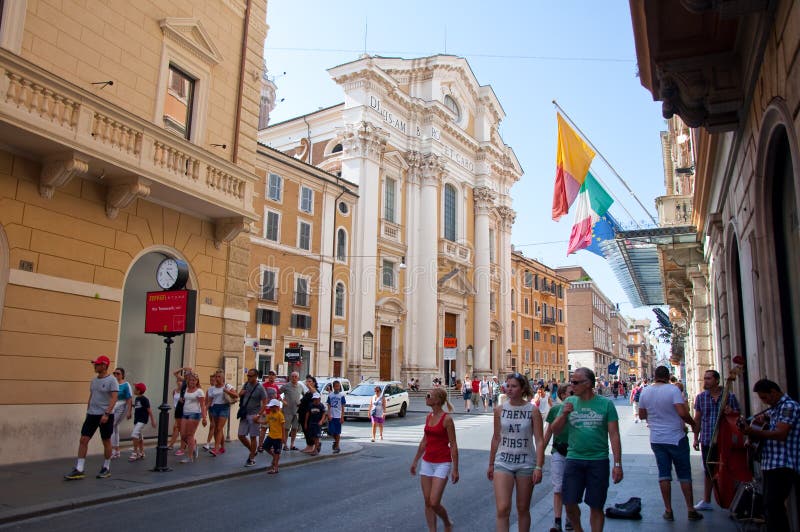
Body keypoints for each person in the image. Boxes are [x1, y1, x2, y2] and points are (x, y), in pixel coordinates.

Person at [550, 367, 622, 532]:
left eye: (575, 382)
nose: (571, 385)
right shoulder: (569, 403)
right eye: (571, 382)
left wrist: (617, 464)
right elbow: (555, 430)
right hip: (574, 459)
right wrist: (563, 415)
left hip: (598, 460)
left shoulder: (606, 404)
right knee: (569, 502)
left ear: (588, 383)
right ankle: (578, 529)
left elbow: (614, 436)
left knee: (596, 505)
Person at [638, 366, 703, 522]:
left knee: (664, 475)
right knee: (684, 474)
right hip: (676, 437)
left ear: (654, 376)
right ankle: (690, 509)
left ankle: (668, 510)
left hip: (657, 439)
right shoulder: (673, 390)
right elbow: (681, 412)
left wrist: (653, 417)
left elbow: (641, 415)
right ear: (668, 376)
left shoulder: (645, 391)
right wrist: (693, 423)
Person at [738, 379, 799, 530]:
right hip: (771, 463)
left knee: (773, 505)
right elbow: (767, 427)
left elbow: (780, 434)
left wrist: (753, 431)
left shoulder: (788, 406)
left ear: (773, 392)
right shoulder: (774, 409)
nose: (764, 402)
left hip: (783, 463)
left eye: (765, 397)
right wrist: (754, 433)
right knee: (769, 506)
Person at [487, 373, 545, 532]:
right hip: (503, 462)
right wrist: (491, 463)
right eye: (508, 385)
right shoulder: (499, 410)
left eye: (514, 386)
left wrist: (539, 466)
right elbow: (496, 438)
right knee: (502, 508)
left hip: (526, 463)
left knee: (522, 508)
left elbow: (539, 440)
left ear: (522, 388)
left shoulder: (532, 410)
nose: (509, 389)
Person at [410, 387, 459, 532]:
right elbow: (424, 441)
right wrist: (415, 461)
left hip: (442, 462)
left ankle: (447, 522)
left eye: (428, 395)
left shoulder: (447, 419)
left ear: (437, 400)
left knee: (434, 501)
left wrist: (455, 469)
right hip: (427, 462)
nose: (426, 397)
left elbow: (453, 444)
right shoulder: (428, 417)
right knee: (427, 501)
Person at [64, 355, 119, 480]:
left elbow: (114, 398)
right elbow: (92, 396)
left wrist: (107, 414)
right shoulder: (94, 380)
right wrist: (88, 410)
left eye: (97, 364)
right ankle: (79, 468)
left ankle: (106, 467)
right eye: (95, 364)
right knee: (83, 439)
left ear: (104, 366)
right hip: (92, 414)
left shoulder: (112, 380)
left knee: (106, 441)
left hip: (105, 416)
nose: (95, 366)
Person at [692, 369, 740, 511]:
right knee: (708, 470)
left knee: (729, 469)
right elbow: (698, 419)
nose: (705, 381)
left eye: (708, 378)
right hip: (707, 438)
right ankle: (707, 500)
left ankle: (732, 498)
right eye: (705, 378)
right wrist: (695, 438)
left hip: (725, 439)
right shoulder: (700, 397)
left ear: (717, 380)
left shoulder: (729, 396)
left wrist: (731, 412)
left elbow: (738, 417)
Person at [543, 384, 573, 532]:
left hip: (576, 453)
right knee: (558, 488)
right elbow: (548, 432)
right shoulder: (555, 410)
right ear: (562, 395)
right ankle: (557, 521)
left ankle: (570, 518)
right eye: (569, 393)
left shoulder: (579, 410)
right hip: (558, 451)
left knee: (572, 488)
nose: (572, 395)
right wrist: (540, 453)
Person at [238, 369, 267, 467]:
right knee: (241, 435)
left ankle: (251, 458)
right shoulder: (246, 384)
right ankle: (252, 450)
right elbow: (240, 394)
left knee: (253, 437)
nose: (248, 378)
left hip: (254, 414)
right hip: (245, 413)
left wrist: (258, 415)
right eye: (248, 376)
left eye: (250, 376)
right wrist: (240, 393)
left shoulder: (260, 388)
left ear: (256, 376)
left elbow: (264, 402)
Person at [178, 372, 207, 463]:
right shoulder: (185, 389)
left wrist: (204, 418)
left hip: (194, 414)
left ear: (197, 381)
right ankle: (193, 445)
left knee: (190, 435)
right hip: (185, 413)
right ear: (188, 381)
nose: (192, 382)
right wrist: (181, 400)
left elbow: (202, 405)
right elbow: (184, 400)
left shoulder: (199, 391)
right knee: (183, 435)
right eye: (191, 380)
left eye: (194, 380)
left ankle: (190, 457)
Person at [206, 370, 237, 456]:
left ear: (223, 378)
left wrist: (227, 391)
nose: (217, 378)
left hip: (224, 407)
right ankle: (222, 446)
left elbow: (236, 395)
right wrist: (205, 410)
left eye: (219, 376)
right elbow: (210, 400)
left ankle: (216, 449)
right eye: (216, 376)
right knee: (217, 429)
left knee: (219, 428)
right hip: (214, 407)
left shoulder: (227, 386)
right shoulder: (212, 388)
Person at [128, 383, 156, 461]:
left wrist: (152, 420)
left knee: (134, 434)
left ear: (139, 391)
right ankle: (142, 452)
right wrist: (131, 405)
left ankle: (135, 452)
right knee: (139, 436)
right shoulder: (137, 399)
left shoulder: (144, 399)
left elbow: (149, 410)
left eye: (135, 389)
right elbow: (137, 407)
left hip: (142, 420)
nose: (134, 390)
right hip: (137, 420)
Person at [110, 367, 133, 459]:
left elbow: (129, 398)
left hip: (122, 405)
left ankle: (113, 450)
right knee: (114, 426)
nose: (115, 375)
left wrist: (129, 411)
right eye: (114, 373)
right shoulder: (113, 384)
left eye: (118, 373)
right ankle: (116, 450)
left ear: (122, 375)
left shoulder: (126, 385)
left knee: (112, 425)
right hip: (113, 406)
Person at [280, 371, 304, 451]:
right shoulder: (286, 386)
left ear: (298, 378)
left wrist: (301, 402)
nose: (294, 378)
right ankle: (285, 444)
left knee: (294, 428)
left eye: (295, 377)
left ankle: (292, 444)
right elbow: (277, 393)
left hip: (296, 411)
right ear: (290, 377)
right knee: (286, 429)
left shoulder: (300, 386)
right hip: (287, 411)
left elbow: (305, 396)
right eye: (292, 376)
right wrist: (282, 401)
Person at [261, 398, 285, 474]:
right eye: (270, 407)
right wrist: (257, 421)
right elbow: (265, 422)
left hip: (278, 437)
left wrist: (283, 437)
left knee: (277, 451)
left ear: (276, 407)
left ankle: (275, 468)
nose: (270, 408)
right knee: (265, 447)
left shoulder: (280, 415)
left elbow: (283, 426)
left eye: (272, 407)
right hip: (271, 435)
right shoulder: (270, 414)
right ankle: (274, 456)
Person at [299, 375, 319, 453]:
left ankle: (312, 445)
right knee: (305, 430)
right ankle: (309, 445)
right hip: (302, 413)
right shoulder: (307, 391)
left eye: (310, 381)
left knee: (309, 430)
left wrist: (309, 386)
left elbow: (315, 393)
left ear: (314, 383)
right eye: (307, 381)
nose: (308, 383)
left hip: (309, 414)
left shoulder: (315, 391)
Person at [326, 380, 346, 453]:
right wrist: (329, 414)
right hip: (332, 415)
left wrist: (342, 417)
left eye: (338, 386)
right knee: (331, 431)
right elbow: (328, 405)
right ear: (333, 387)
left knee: (337, 432)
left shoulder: (341, 396)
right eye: (336, 386)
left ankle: (337, 445)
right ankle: (335, 441)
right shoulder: (330, 395)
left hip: (338, 416)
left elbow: (343, 407)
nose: (337, 388)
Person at [167, 372, 186, 452]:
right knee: (178, 429)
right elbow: (175, 403)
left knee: (177, 428)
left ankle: (172, 445)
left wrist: (184, 369)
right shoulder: (174, 391)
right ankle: (189, 443)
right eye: (177, 381)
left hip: (183, 412)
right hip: (177, 411)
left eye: (180, 381)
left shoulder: (185, 391)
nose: (179, 382)